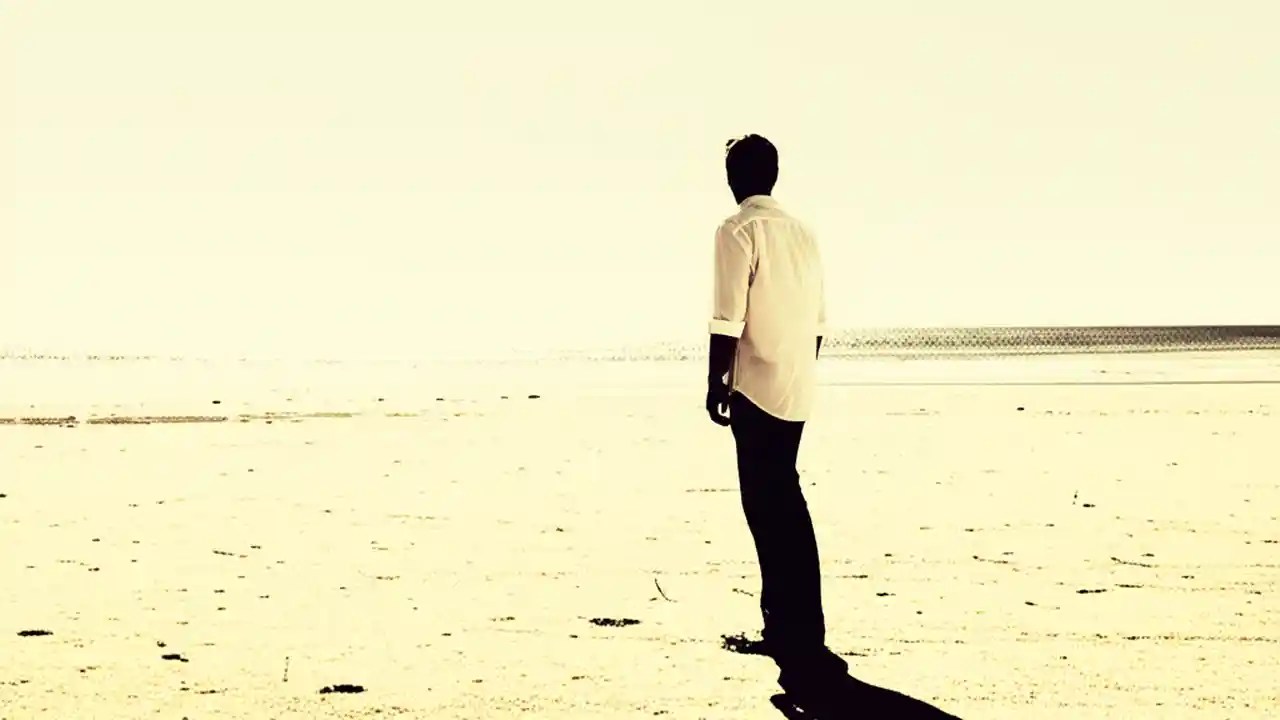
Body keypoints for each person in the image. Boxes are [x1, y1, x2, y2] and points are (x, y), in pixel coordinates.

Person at [704, 134, 850, 705]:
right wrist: (800, 376)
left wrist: (717, 384)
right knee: (787, 503)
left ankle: (787, 632)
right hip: (795, 385)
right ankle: (799, 629)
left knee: (766, 508)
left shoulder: (736, 230)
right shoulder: (803, 233)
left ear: (735, 177)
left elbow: (726, 318)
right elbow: (816, 322)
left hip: (755, 387)